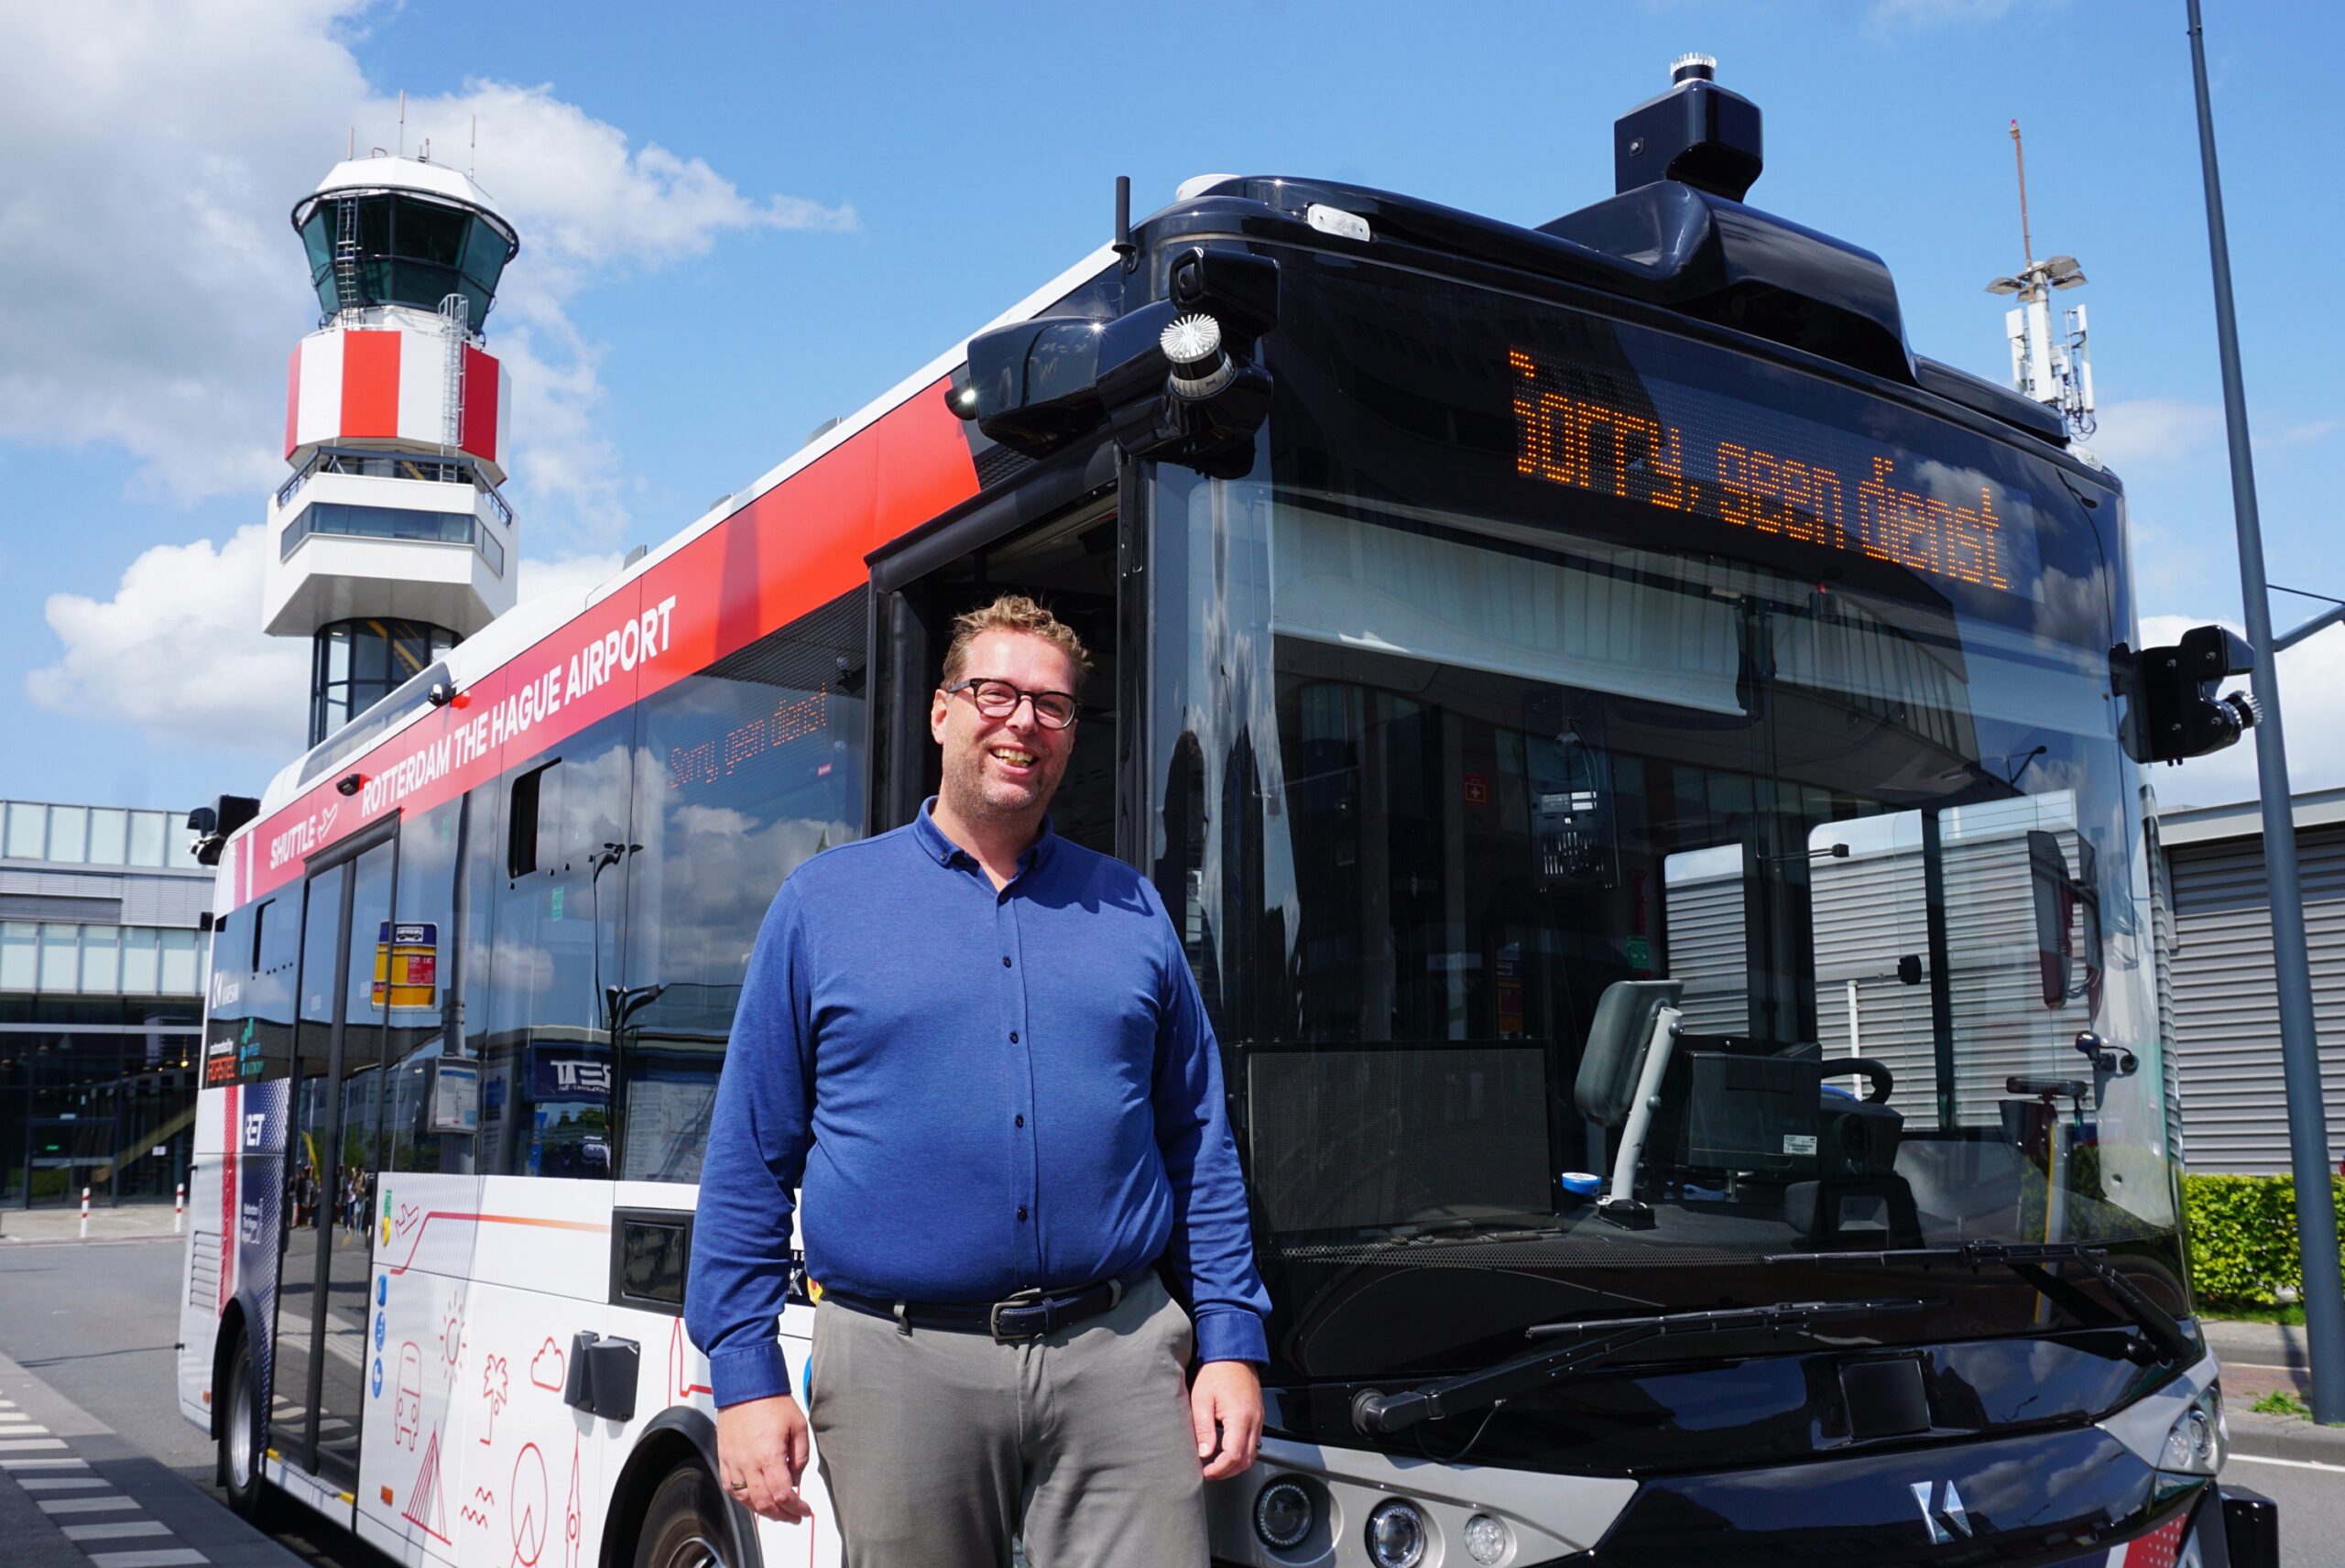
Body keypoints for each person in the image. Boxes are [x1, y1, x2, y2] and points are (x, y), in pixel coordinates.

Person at [685, 593, 1269, 1568]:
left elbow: (1197, 1135)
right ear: (941, 711)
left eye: (1051, 704)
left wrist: (1231, 1336)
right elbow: (751, 1153)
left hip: (1121, 1359)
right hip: (901, 1368)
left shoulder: (1132, 907)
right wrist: (744, 1374)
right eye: (995, 692)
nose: (1022, 722)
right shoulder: (823, 904)